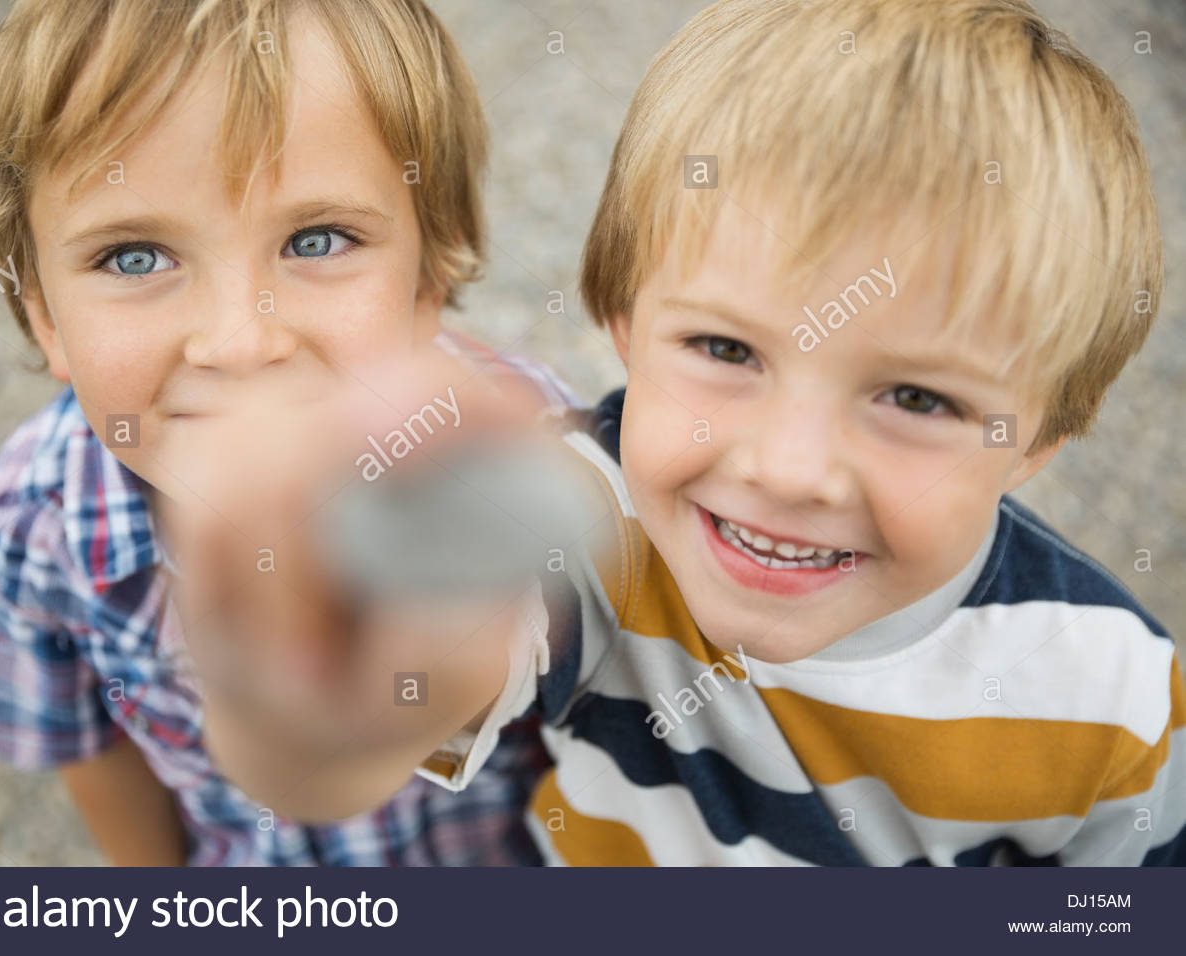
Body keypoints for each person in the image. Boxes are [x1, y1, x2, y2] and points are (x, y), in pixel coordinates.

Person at [176, 0, 1185, 865]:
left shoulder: (1119, 706)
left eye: (916, 400)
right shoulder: (599, 532)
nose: (786, 468)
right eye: (724, 349)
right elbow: (385, 712)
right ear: (622, 325)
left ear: (1040, 437)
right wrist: (308, 682)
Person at [0, 0, 575, 866]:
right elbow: (90, 748)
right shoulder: (26, 527)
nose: (240, 342)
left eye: (317, 239)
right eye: (134, 257)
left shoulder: (527, 460)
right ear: (44, 314)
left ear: (431, 274)